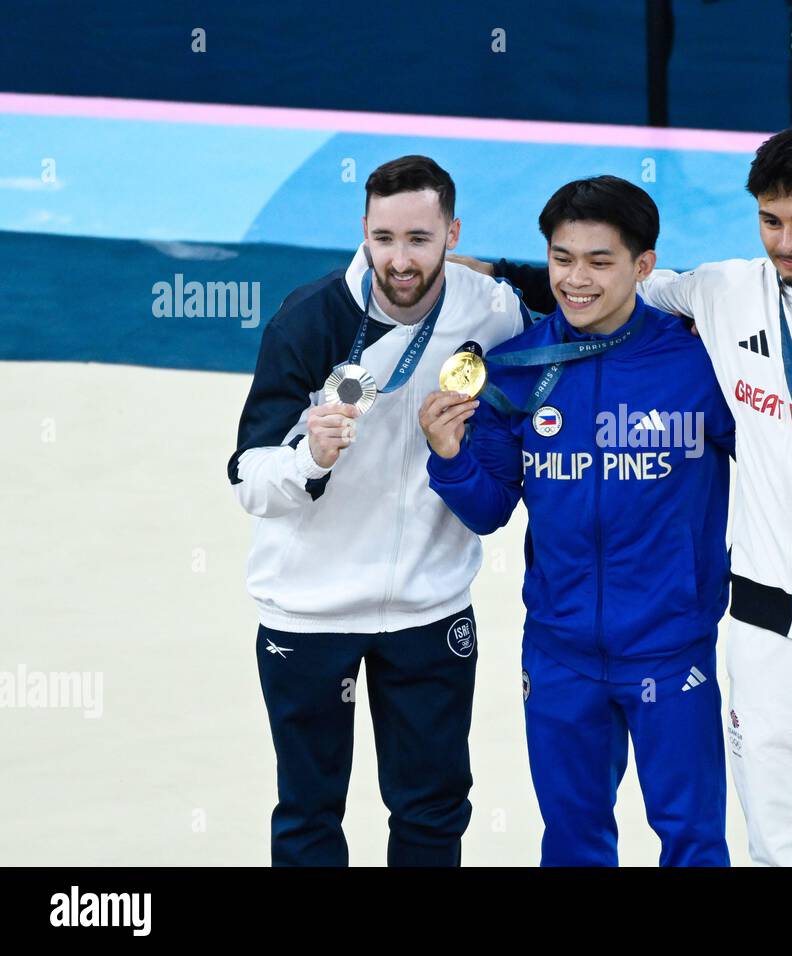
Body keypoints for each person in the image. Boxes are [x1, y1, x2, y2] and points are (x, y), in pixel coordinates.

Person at [458, 123, 792, 866]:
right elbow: (613, 283)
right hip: (760, 625)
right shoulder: (723, 291)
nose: (786, 242)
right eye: (771, 221)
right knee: (779, 841)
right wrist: (494, 272)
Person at [422, 176, 735, 866]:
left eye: (600, 261)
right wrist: (450, 459)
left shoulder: (700, 364)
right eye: (562, 259)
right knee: (571, 843)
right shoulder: (514, 369)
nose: (577, 279)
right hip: (560, 654)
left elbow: (780, 474)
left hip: (672, 647)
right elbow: (489, 509)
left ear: (643, 267)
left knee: (693, 840)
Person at [228, 155, 529, 866]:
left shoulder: (492, 311)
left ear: (453, 234)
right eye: (384, 238)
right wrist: (310, 459)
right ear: (363, 232)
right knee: (308, 813)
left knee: (432, 810)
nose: (400, 259)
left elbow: (579, 285)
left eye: (420, 239)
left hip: (429, 610)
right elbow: (247, 478)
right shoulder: (309, 320)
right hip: (309, 615)